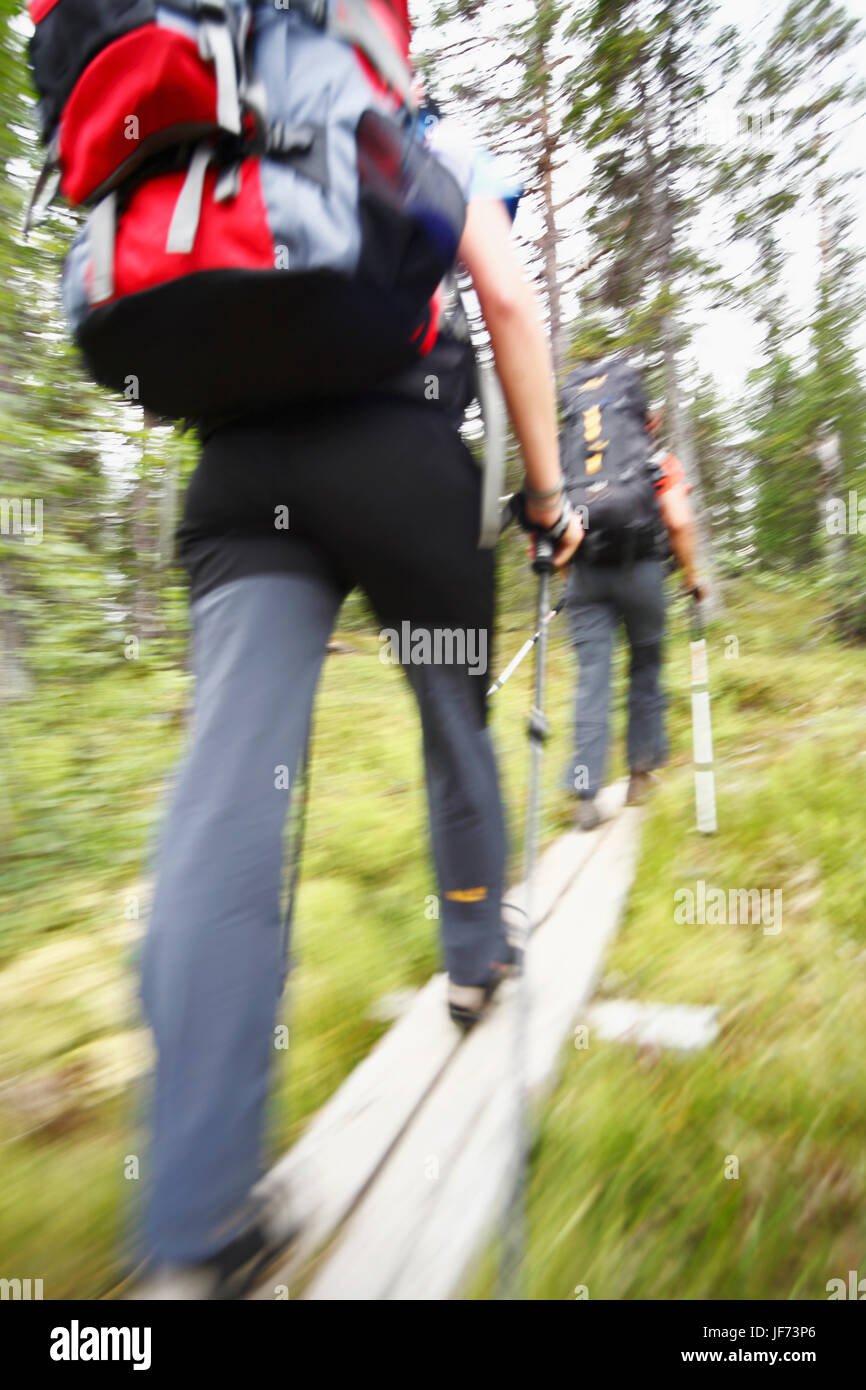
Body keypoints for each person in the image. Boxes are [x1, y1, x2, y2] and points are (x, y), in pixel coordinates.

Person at [134, 112, 583, 1297]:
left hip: (237, 474)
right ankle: (477, 952)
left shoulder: (220, 130)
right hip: (398, 458)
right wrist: (546, 499)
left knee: (222, 795)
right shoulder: (418, 129)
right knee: (452, 726)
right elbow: (508, 302)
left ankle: (195, 1210)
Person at [565, 401, 704, 831]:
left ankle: (585, 796)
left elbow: (550, 530)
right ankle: (640, 779)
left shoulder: (575, 468)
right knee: (645, 669)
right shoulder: (659, 461)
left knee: (592, 678)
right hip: (643, 576)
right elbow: (679, 523)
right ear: (650, 424)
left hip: (585, 579)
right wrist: (691, 578)